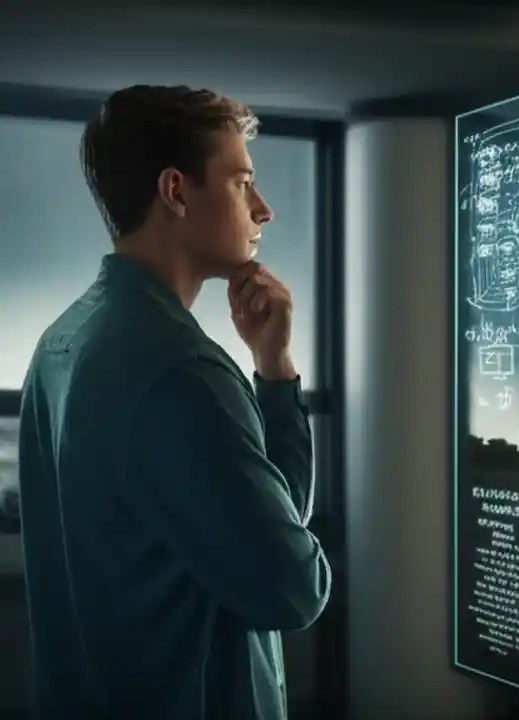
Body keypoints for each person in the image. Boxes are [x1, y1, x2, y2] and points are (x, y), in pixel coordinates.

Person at [16, 85, 330, 719]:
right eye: (242, 182)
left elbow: (265, 527)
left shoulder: (61, 343)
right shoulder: (182, 373)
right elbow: (293, 589)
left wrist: (272, 369)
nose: (264, 209)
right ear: (176, 192)